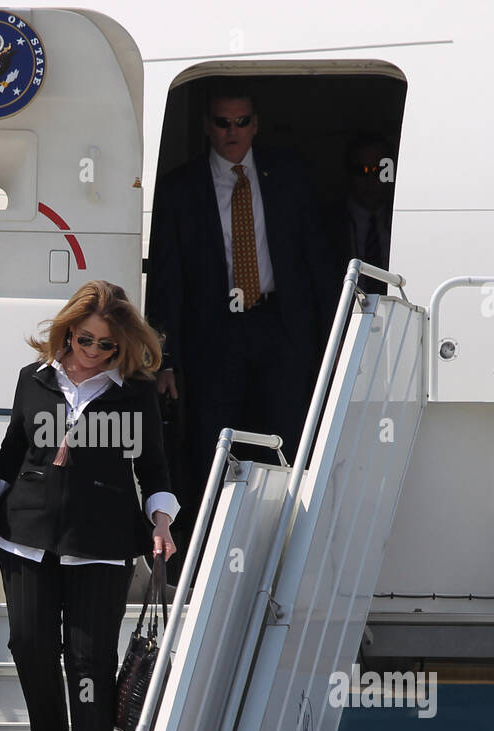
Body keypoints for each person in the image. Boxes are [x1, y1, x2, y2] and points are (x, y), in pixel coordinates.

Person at [0, 280, 178, 731]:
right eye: (85, 339)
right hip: (26, 534)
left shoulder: (135, 392)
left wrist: (161, 521)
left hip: (103, 542)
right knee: (28, 643)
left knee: (89, 664)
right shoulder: (32, 380)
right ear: (68, 331)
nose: (92, 353)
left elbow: (154, 469)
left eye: (107, 346)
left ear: (123, 346)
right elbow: (12, 450)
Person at [146, 85, 335, 499]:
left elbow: (316, 261)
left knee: (286, 432)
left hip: (278, 324)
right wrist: (165, 357)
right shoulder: (181, 188)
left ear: (255, 125)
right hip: (212, 331)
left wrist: (330, 339)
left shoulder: (287, 176)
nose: (233, 131)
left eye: (242, 122)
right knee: (215, 439)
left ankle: (281, 526)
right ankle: (213, 532)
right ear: (207, 127)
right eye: (223, 122)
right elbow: (166, 277)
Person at [329, 133, 395, 296]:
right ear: (348, 173)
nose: (370, 179)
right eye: (362, 170)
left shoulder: (405, 221)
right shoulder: (327, 225)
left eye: (379, 170)